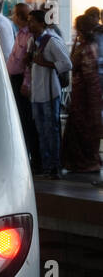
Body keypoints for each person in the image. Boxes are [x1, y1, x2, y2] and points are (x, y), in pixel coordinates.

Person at [26, 8, 72, 179]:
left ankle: (54, 166)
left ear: (41, 23)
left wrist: (46, 63)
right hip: (37, 92)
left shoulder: (51, 41)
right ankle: (46, 165)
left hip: (49, 91)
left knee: (50, 129)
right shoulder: (34, 41)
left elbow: (66, 63)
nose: (29, 24)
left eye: (32, 21)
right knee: (40, 129)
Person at [62, 12, 103, 176]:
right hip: (82, 94)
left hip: (85, 96)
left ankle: (86, 162)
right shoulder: (85, 45)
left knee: (83, 129)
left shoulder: (86, 48)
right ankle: (81, 162)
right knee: (79, 128)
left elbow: (90, 76)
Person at [6, 3, 39, 173]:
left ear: (19, 16)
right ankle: (27, 155)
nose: (12, 16)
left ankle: (34, 159)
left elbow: (28, 64)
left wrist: (26, 83)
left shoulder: (29, 36)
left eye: (13, 14)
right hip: (16, 79)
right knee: (22, 119)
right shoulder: (20, 33)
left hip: (22, 82)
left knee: (27, 120)